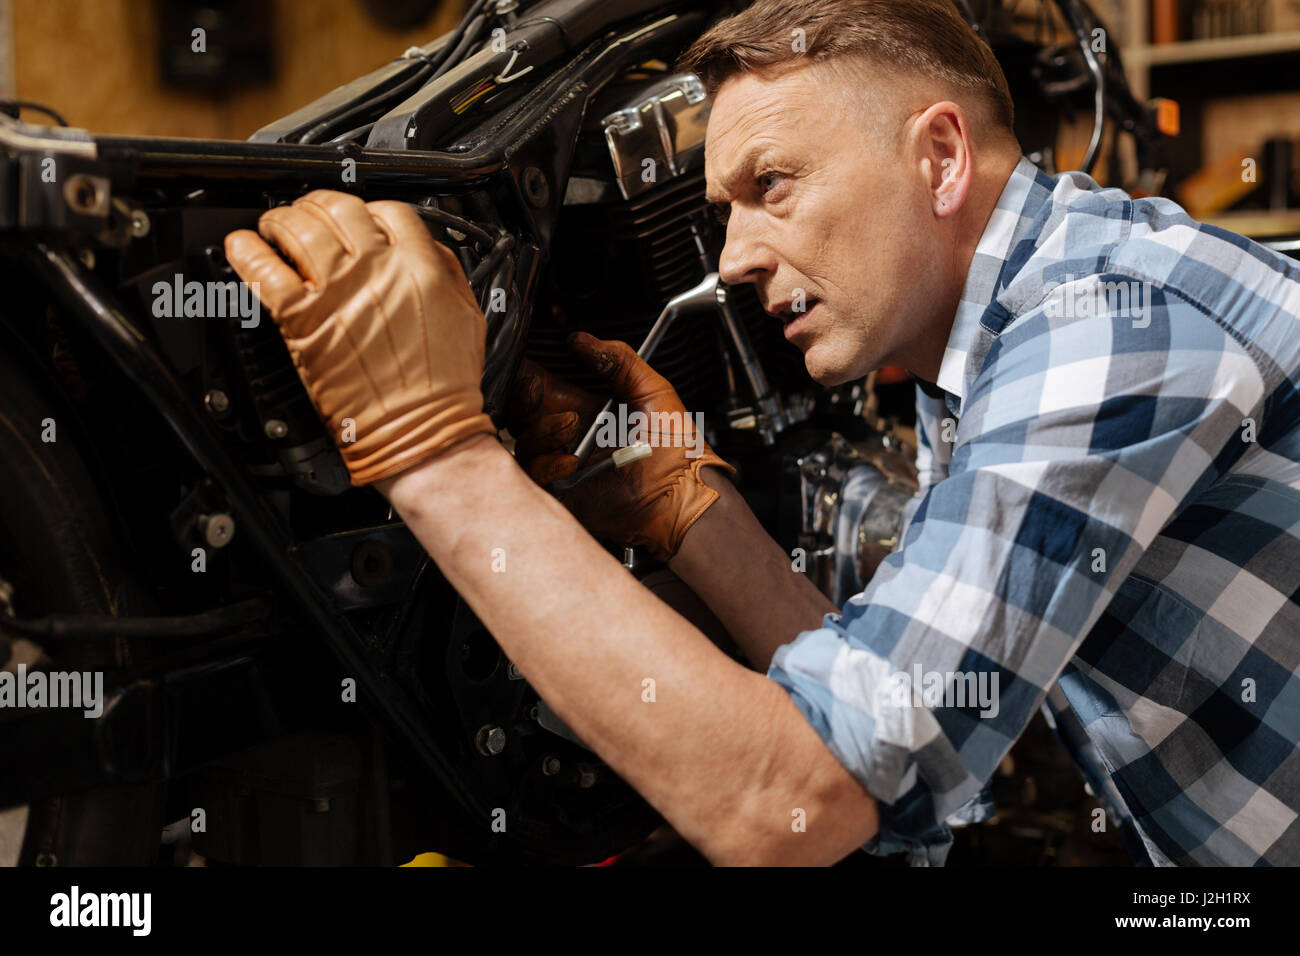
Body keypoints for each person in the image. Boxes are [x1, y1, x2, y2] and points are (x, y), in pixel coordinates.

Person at [225, 0, 1300, 865]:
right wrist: (687, 504)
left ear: (937, 158)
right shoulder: (981, 349)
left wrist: (433, 449)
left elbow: (797, 800)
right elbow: (909, 736)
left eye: (769, 186)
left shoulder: (1102, 321)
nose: (732, 256)